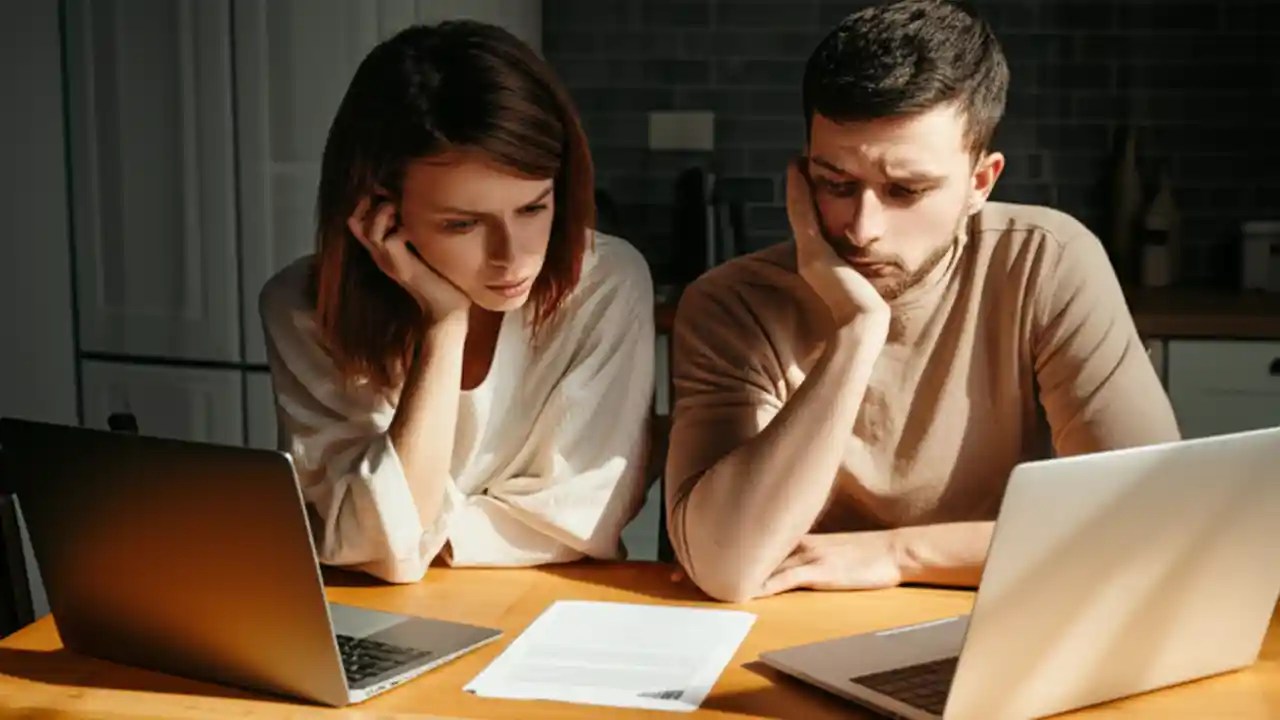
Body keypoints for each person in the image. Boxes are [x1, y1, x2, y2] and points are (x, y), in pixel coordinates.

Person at [664, 0, 1180, 603]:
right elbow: (728, 567)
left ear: (980, 182)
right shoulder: (731, 306)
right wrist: (858, 332)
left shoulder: (1045, 261)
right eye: (835, 184)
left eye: (905, 190)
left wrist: (898, 553)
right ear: (801, 178)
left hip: (988, 624)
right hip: (780, 633)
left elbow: (1152, 519)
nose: (863, 229)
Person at [259, 21, 655, 583]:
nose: (511, 257)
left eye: (533, 208)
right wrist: (444, 326)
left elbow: (581, 519)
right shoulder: (301, 307)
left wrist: (412, 532)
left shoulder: (607, 283)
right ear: (381, 212)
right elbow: (375, 548)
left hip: (551, 604)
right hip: (375, 613)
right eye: (462, 224)